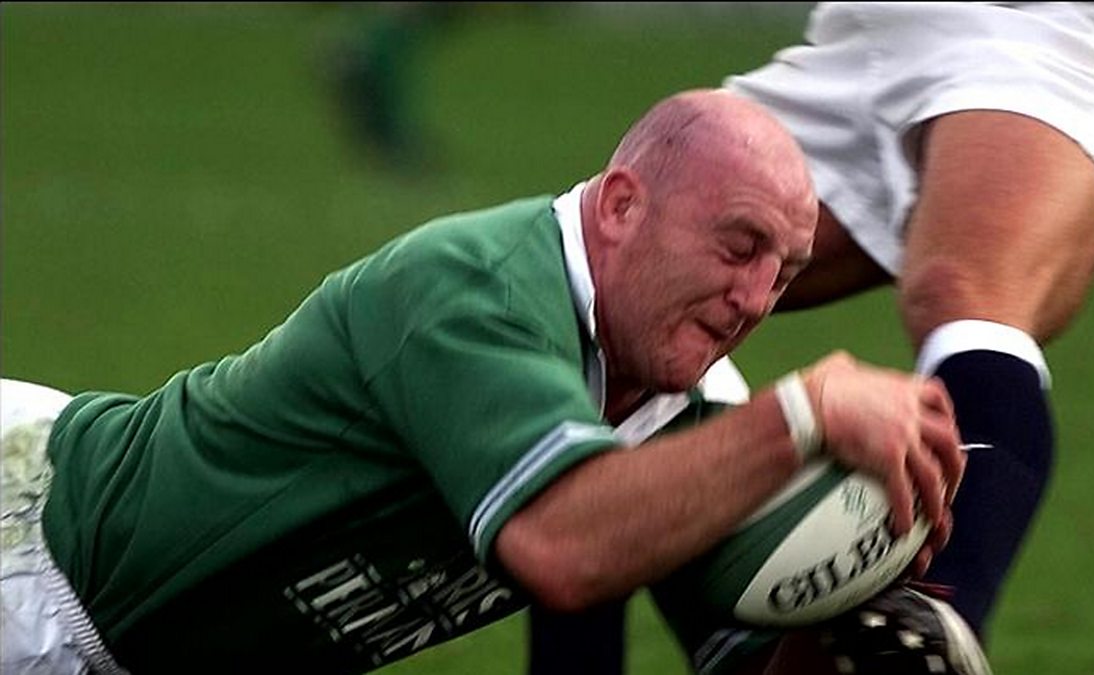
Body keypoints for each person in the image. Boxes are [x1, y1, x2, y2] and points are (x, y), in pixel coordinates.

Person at [0, 89, 969, 675]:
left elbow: (745, 658)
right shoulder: (471, 291)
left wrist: (855, 627)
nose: (757, 296)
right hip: (28, 555)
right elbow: (558, 546)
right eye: (738, 246)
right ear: (623, 206)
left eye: (785, 271)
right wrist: (801, 415)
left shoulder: (691, 410)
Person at [527, 2, 1094, 674]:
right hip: (878, 25)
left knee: (962, 289)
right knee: (607, 283)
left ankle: (922, 627)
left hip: (1053, 26)